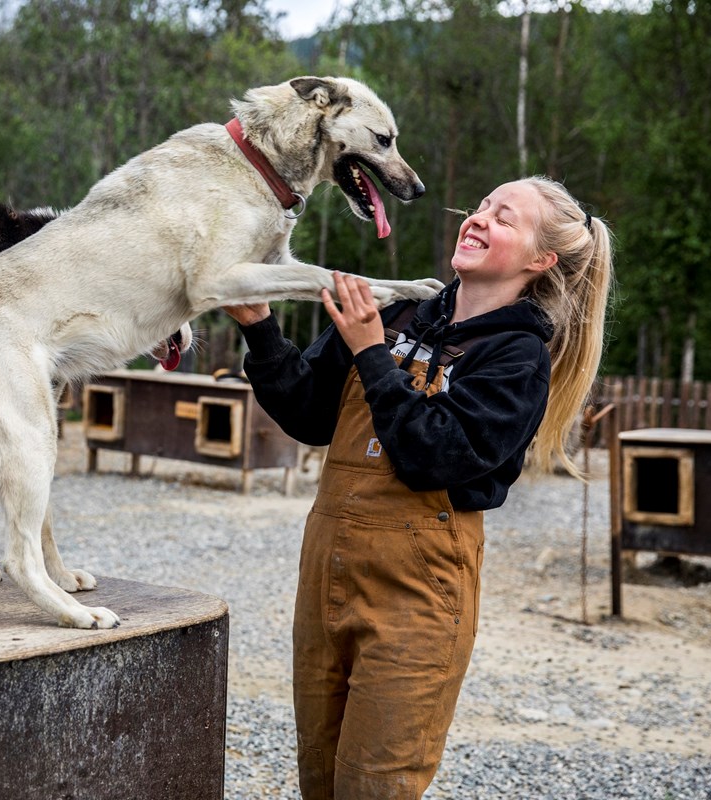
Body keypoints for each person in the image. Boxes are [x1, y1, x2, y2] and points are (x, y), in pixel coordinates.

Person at [224, 175, 613, 800]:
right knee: (319, 780)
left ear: (542, 260)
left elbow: (435, 455)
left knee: (374, 787)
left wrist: (374, 355)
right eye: (482, 206)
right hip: (327, 577)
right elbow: (307, 413)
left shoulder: (516, 358)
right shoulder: (397, 311)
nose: (479, 218)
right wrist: (260, 327)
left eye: (505, 218)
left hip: (417, 599)